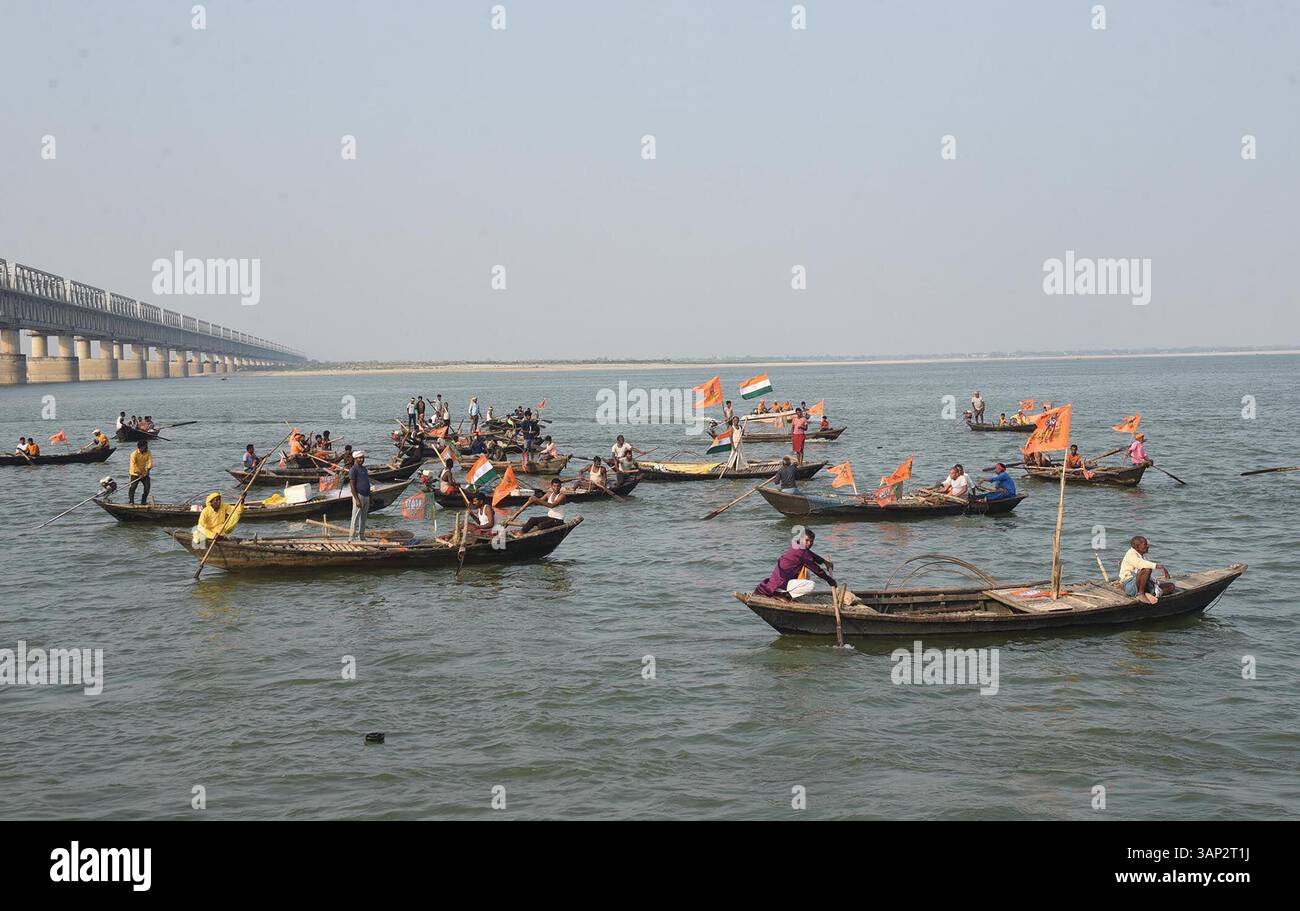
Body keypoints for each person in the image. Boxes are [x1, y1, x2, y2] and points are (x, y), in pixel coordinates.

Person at [754, 528, 837, 599]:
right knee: (811, 584)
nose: (809, 543)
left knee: (806, 573)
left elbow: (809, 554)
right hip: (780, 584)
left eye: (811, 541)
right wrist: (830, 581)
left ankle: (786, 594)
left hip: (777, 581)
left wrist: (824, 562)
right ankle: (783, 595)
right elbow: (816, 570)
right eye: (807, 540)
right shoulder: (801, 553)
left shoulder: (796, 545)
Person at [1119, 535, 1173, 604]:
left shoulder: (1141, 556)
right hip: (1130, 585)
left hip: (1141, 584)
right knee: (1147, 570)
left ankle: (1148, 593)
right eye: (1145, 544)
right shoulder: (1130, 554)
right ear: (1137, 546)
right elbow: (1140, 564)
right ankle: (1141, 594)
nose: (1148, 546)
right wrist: (1159, 566)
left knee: (1171, 586)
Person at [348, 451, 371, 541]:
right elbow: (352, 486)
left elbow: (366, 482)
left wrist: (370, 496)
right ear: (355, 459)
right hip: (359, 495)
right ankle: (351, 537)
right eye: (359, 458)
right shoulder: (353, 469)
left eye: (362, 458)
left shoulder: (364, 469)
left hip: (366, 495)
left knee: (364, 518)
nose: (361, 459)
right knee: (355, 518)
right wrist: (357, 499)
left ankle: (361, 536)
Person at [128, 440, 152, 504]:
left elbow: (150, 462)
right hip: (135, 473)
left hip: (144, 473)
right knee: (133, 487)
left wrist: (148, 470)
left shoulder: (148, 452)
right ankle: (131, 501)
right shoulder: (134, 454)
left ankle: (143, 502)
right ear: (141, 447)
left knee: (147, 488)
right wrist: (139, 473)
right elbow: (133, 466)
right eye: (145, 446)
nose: (147, 447)